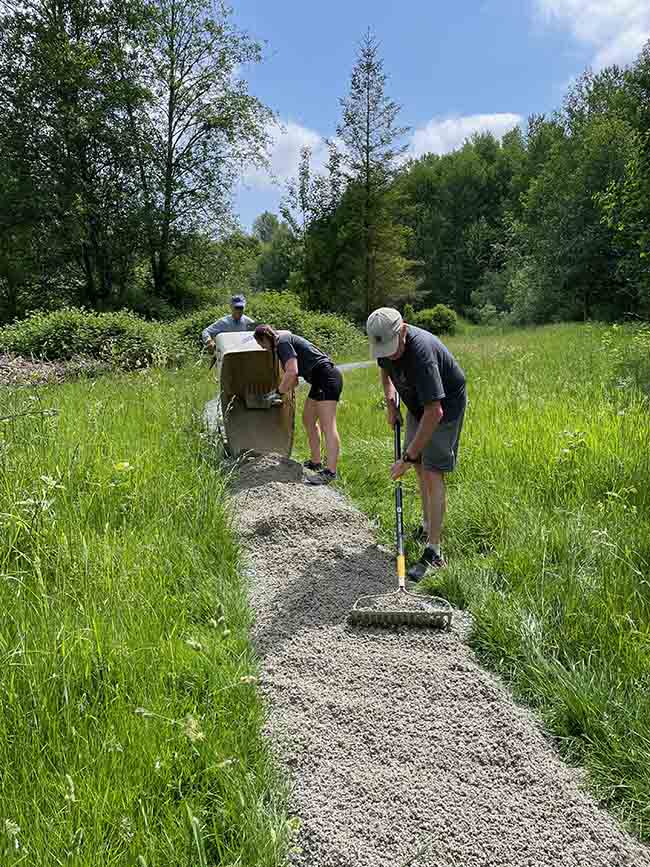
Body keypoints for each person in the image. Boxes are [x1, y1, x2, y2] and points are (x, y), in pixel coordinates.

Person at [366, 307, 466, 581]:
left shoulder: (421, 355)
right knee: (421, 468)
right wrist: (390, 404)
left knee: (432, 471)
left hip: (443, 406)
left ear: (404, 330)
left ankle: (434, 550)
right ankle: (426, 525)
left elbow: (436, 412)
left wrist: (406, 458)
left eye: (391, 347)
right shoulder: (384, 346)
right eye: (382, 350)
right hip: (418, 405)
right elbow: (385, 372)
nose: (388, 354)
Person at [253, 324, 343, 486]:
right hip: (319, 380)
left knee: (328, 425)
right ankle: (316, 462)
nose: (264, 349)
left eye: (262, 345)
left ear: (265, 339)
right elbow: (293, 381)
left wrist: (276, 393)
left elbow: (292, 372)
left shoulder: (282, 343)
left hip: (327, 377)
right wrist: (280, 395)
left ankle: (330, 472)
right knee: (308, 420)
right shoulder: (282, 343)